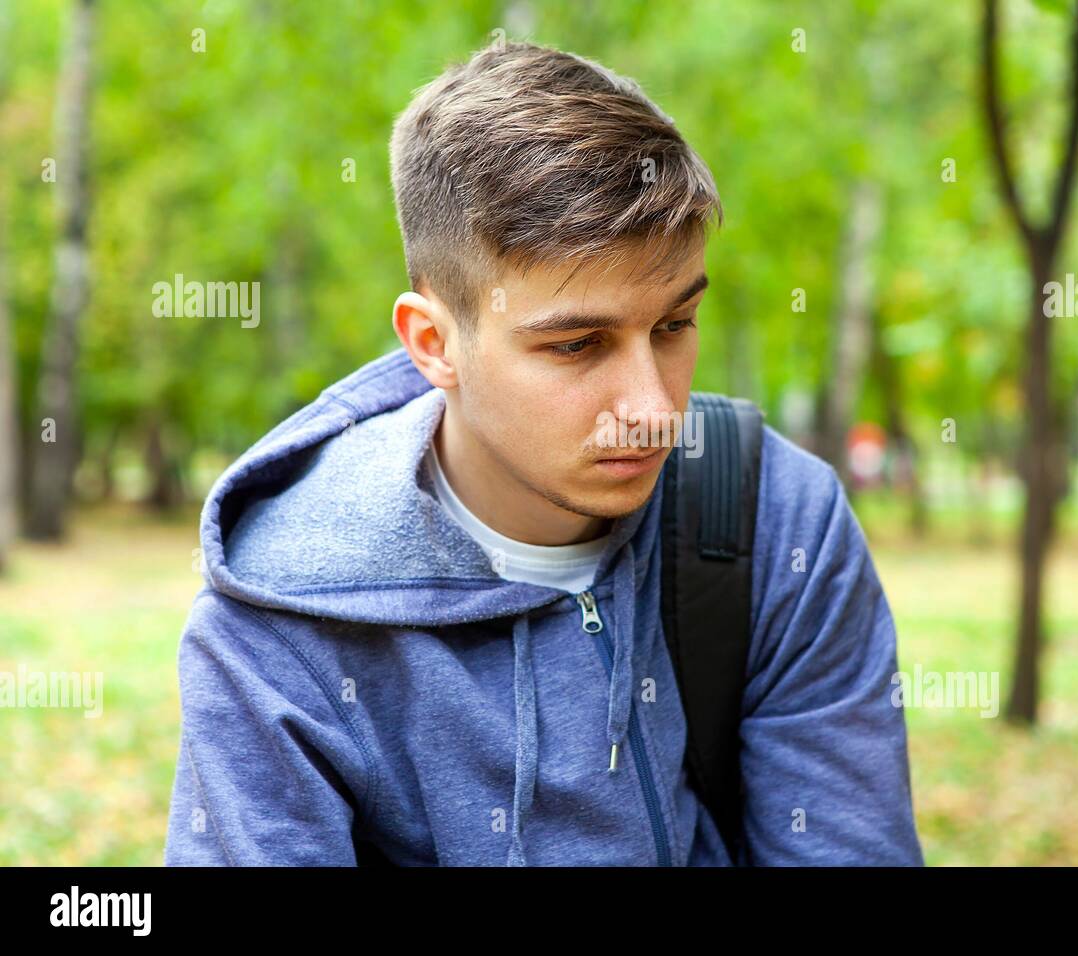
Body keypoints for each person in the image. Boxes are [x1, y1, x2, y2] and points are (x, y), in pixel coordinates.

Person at [162, 40, 924, 866]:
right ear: (434, 343)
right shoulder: (279, 622)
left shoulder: (771, 521)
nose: (652, 408)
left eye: (673, 326)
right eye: (576, 345)